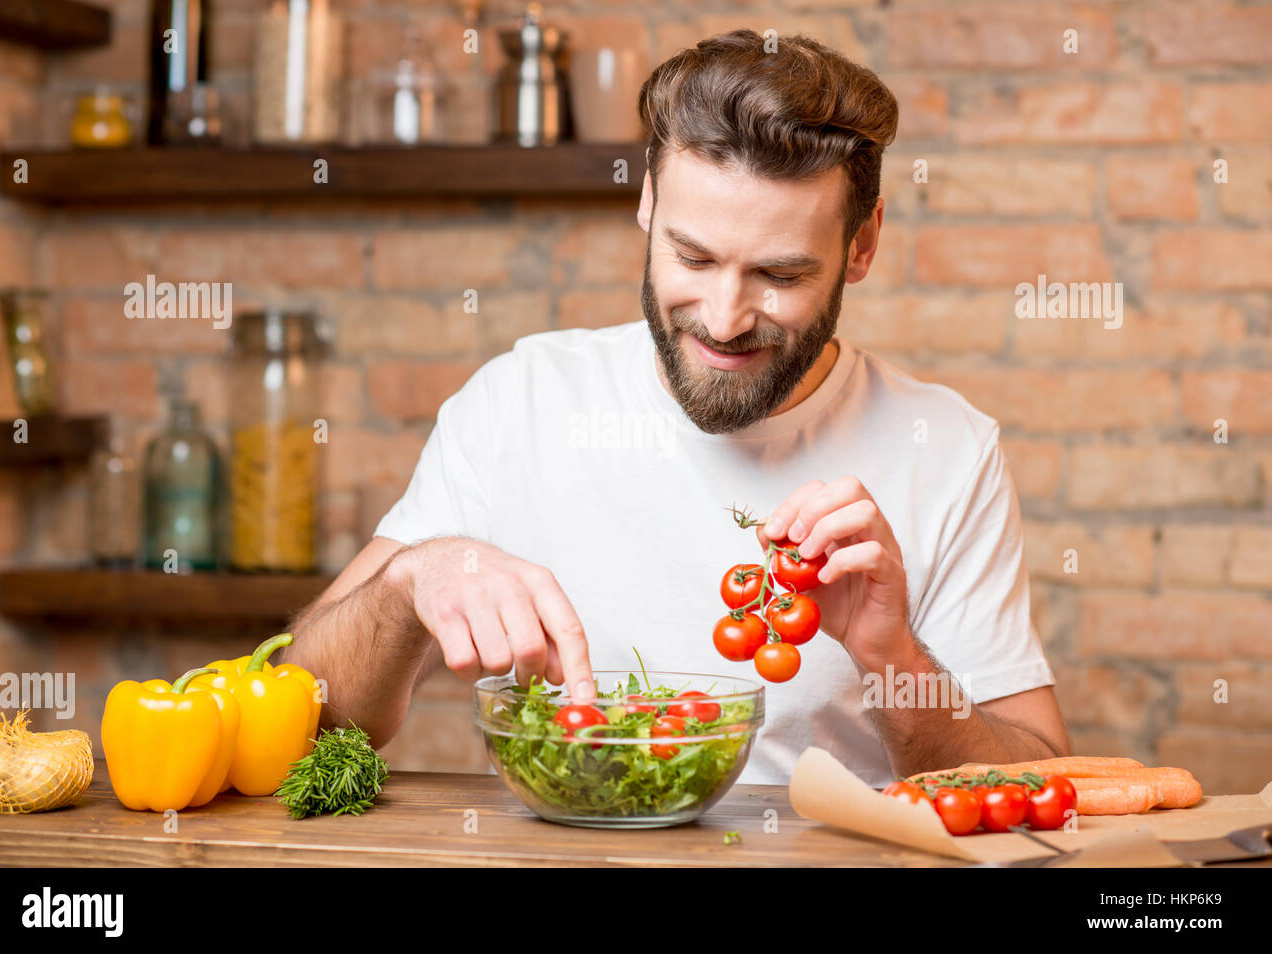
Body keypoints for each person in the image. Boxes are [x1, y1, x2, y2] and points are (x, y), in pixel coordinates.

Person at [279, 29, 1071, 786]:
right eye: (693, 257)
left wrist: (892, 658)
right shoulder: (519, 402)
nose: (724, 317)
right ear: (649, 204)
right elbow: (299, 714)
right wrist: (407, 584)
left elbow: (1039, 779)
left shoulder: (948, 449)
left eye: (781, 275)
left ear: (862, 245)